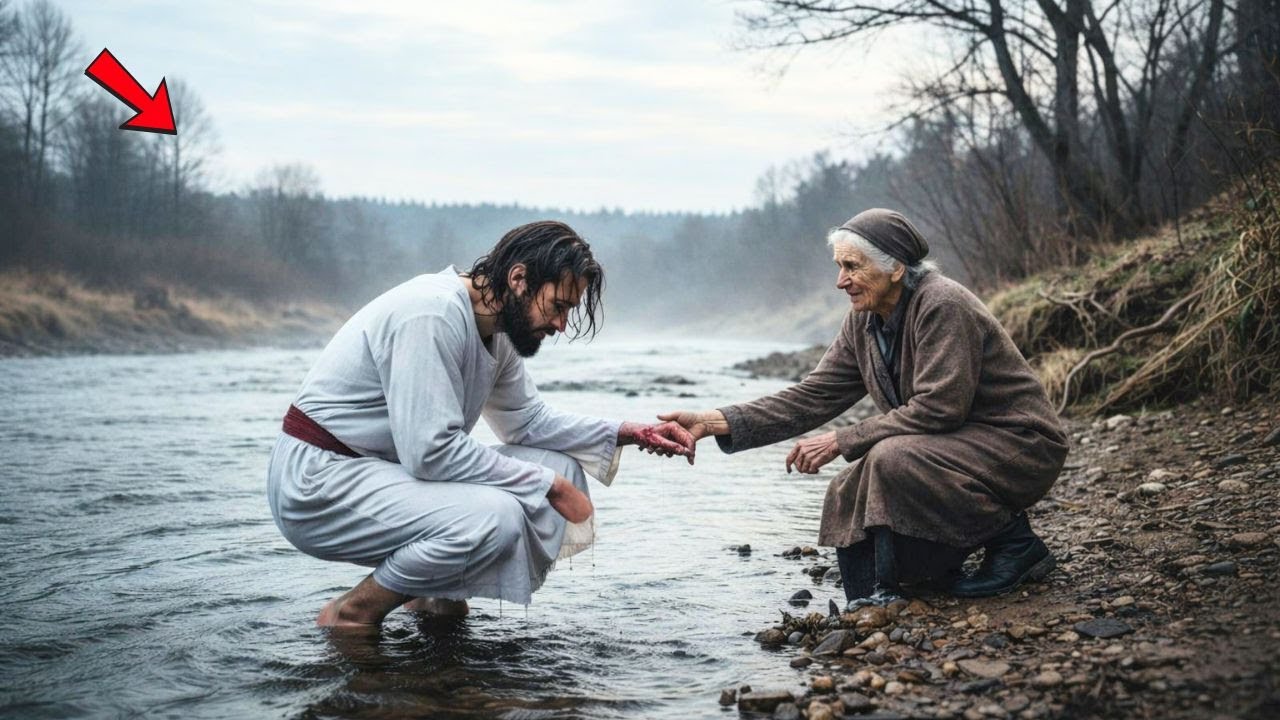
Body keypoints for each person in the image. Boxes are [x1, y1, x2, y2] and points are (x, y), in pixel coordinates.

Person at [268, 220, 694, 628]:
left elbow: (527, 422)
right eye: (559, 306)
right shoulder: (431, 314)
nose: (561, 325)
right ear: (519, 279)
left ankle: (433, 594)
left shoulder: (497, 328)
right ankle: (354, 611)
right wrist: (546, 485)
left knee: (562, 466)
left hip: (382, 472)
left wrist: (632, 432)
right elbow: (430, 451)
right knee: (496, 516)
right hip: (317, 479)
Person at [661, 209, 1068, 608]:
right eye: (839, 267)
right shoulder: (864, 319)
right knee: (847, 487)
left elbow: (940, 407)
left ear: (896, 268)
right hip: (959, 447)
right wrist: (715, 421)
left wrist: (842, 440)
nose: (841, 281)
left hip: (1021, 445)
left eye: (852, 266)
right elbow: (814, 394)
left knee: (890, 458)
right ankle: (893, 585)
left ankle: (1014, 543)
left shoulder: (942, 304)